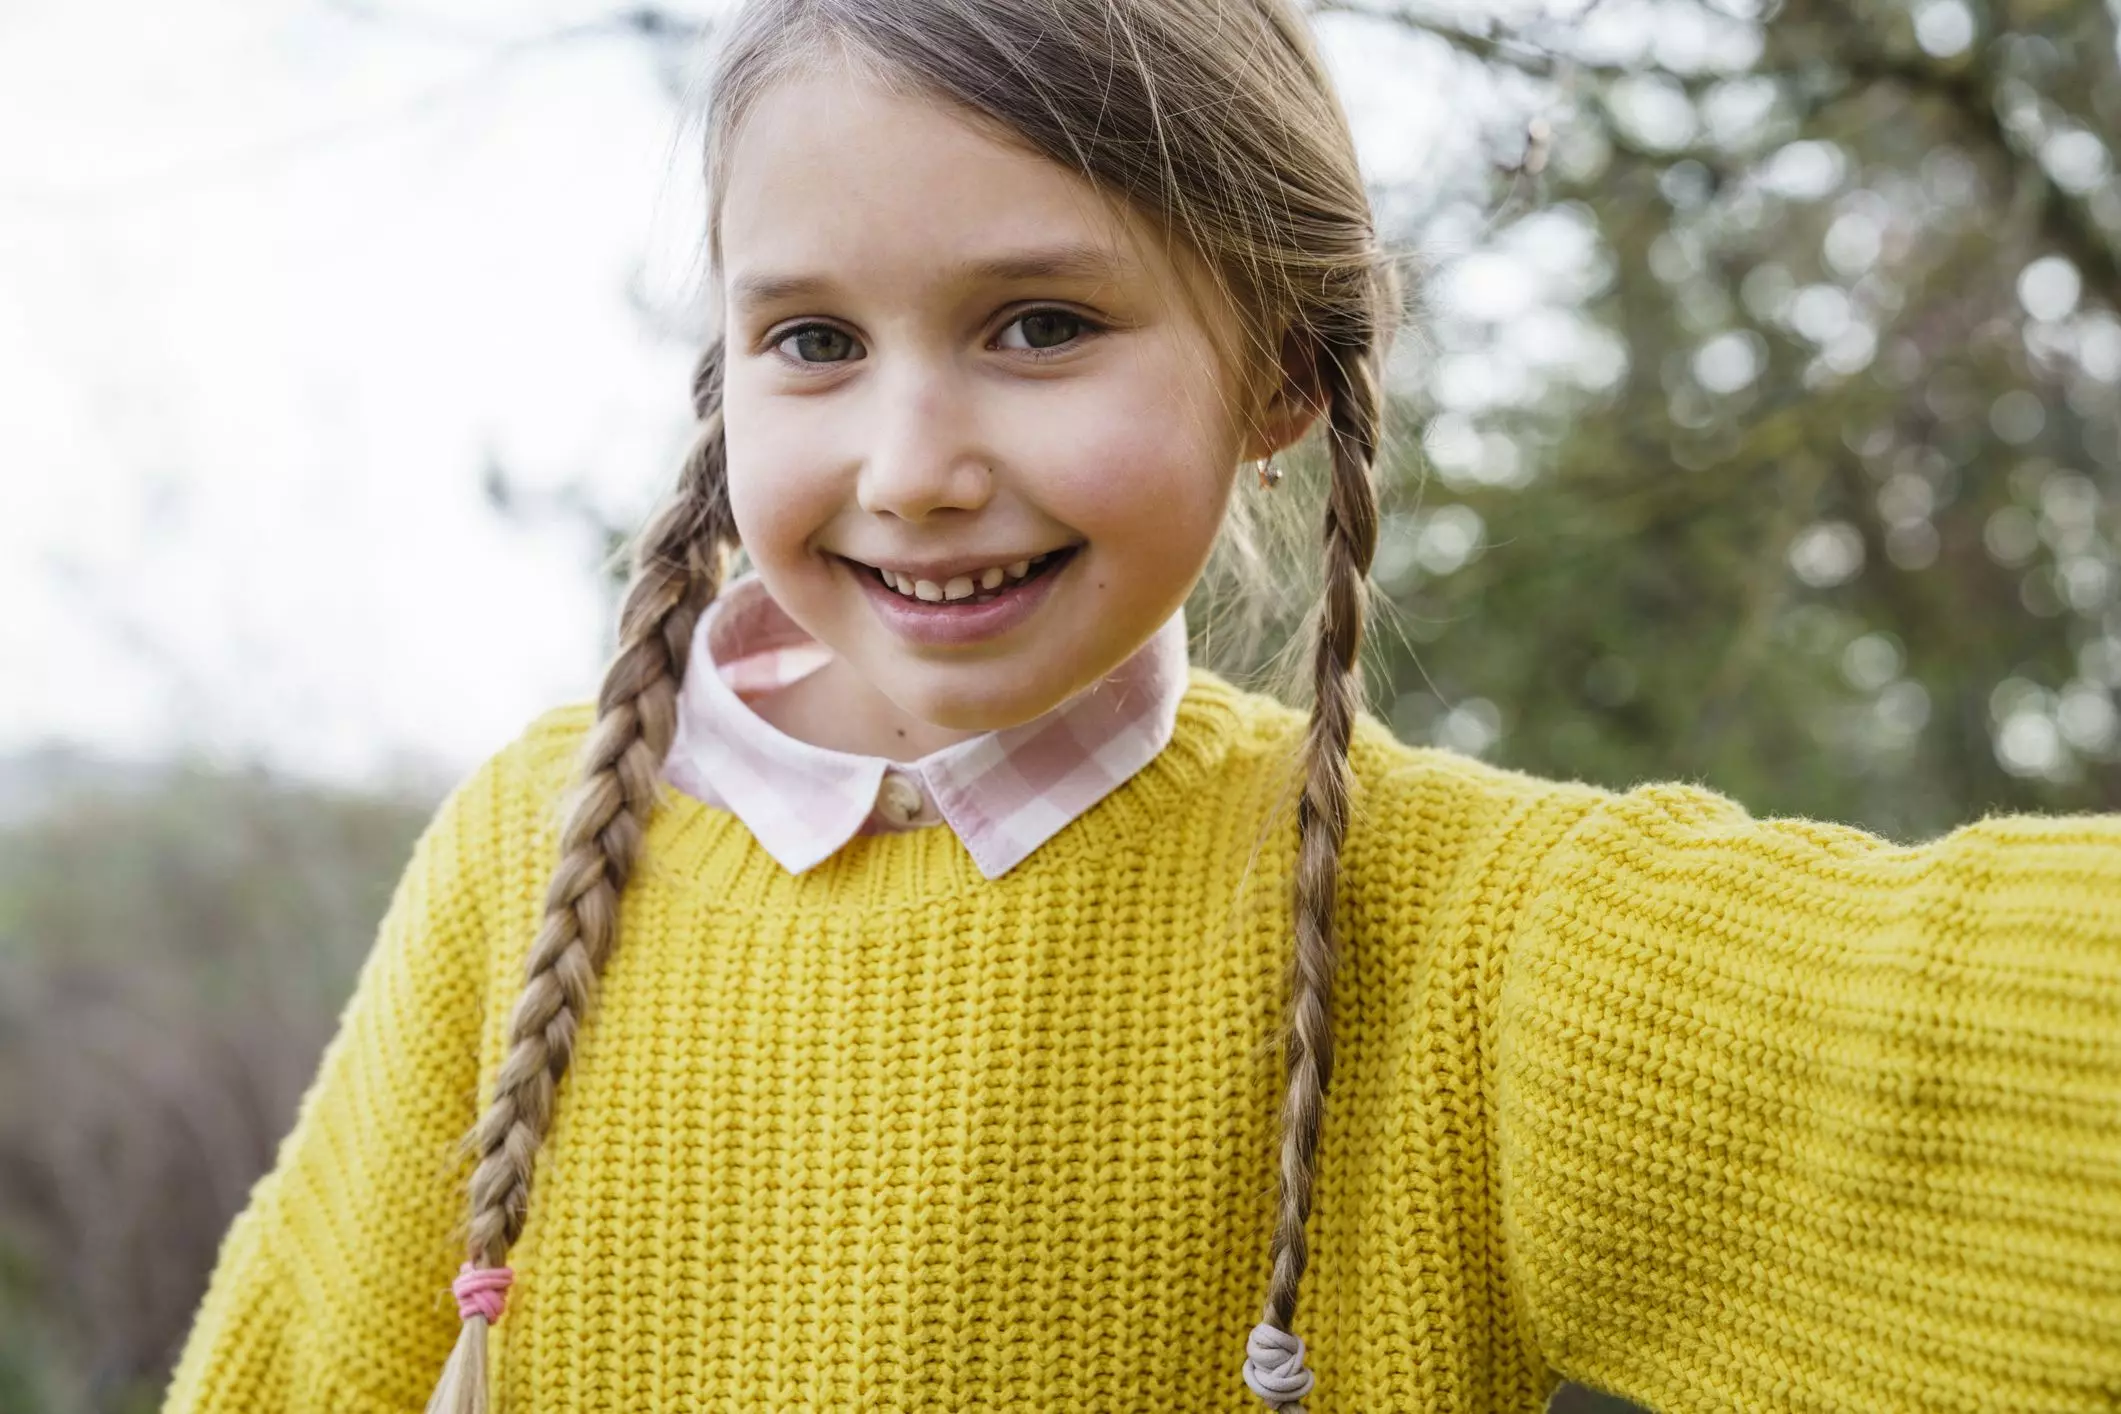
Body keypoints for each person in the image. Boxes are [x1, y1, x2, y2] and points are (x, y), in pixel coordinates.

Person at [161, 1, 2121, 1410]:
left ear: (1278, 373)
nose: (913, 458)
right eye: (813, 339)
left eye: (1040, 326)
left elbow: (1977, 1045)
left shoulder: (1449, 935)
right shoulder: (532, 848)